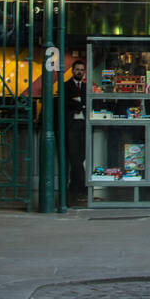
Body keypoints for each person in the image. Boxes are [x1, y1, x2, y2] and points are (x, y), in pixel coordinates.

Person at [64, 59, 88, 202]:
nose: (79, 72)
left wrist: (78, 102)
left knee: (81, 156)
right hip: (72, 125)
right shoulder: (66, 85)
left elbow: (88, 102)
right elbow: (66, 102)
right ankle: (81, 186)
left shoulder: (86, 87)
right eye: (77, 69)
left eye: (81, 69)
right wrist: (79, 104)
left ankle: (74, 186)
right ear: (72, 71)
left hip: (84, 124)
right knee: (74, 157)